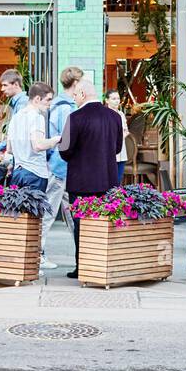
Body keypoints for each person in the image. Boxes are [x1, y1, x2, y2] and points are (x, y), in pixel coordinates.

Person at [57, 79, 122, 280]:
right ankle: (103, 265)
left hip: (82, 182)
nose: (74, 99)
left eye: (75, 95)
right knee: (105, 224)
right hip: (108, 180)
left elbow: (64, 150)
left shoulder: (75, 118)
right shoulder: (114, 117)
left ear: (83, 94)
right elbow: (118, 148)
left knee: (81, 226)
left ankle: (82, 267)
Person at [42, 66, 82, 255]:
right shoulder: (67, 109)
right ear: (74, 84)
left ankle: (80, 257)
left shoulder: (57, 105)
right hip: (61, 167)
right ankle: (38, 254)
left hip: (59, 166)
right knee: (49, 213)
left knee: (72, 215)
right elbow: (68, 140)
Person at [105, 89, 130, 185]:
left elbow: (126, 131)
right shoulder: (105, 114)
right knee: (108, 180)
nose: (116, 101)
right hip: (109, 152)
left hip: (121, 152)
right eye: (113, 98)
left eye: (118, 98)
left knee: (118, 179)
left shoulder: (121, 114)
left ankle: (116, 199)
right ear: (107, 100)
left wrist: (121, 135)